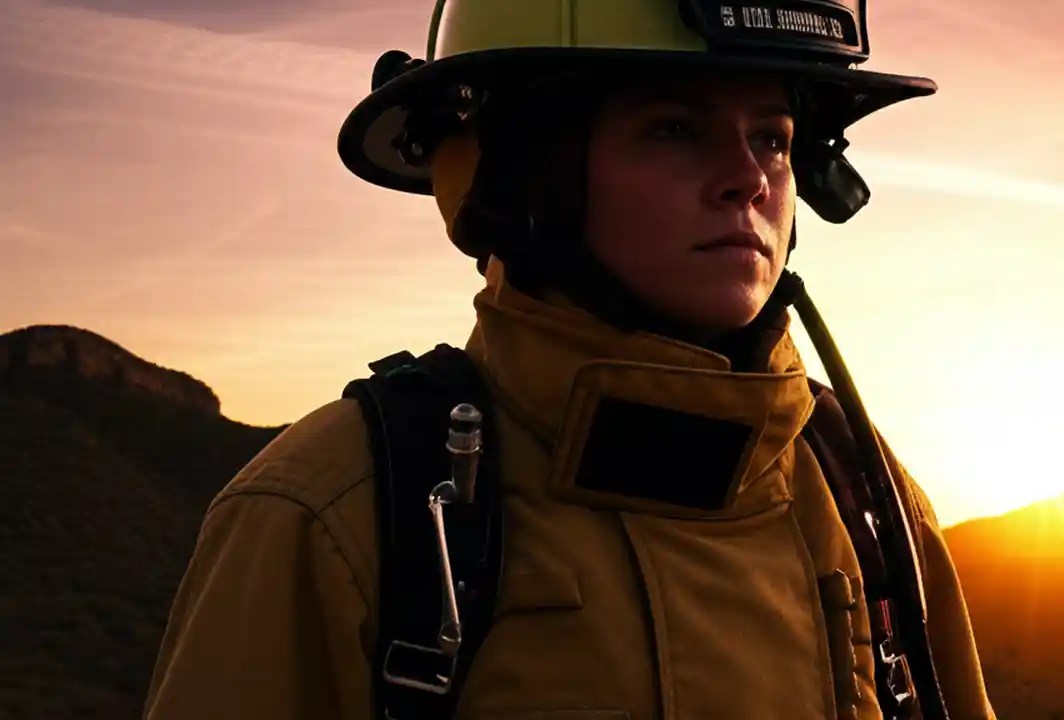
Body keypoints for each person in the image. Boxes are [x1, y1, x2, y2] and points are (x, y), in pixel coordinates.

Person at [145, 1, 998, 718]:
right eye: (673, 129)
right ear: (522, 179)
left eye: (772, 139)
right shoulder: (338, 506)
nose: (748, 179)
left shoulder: (858, 483)